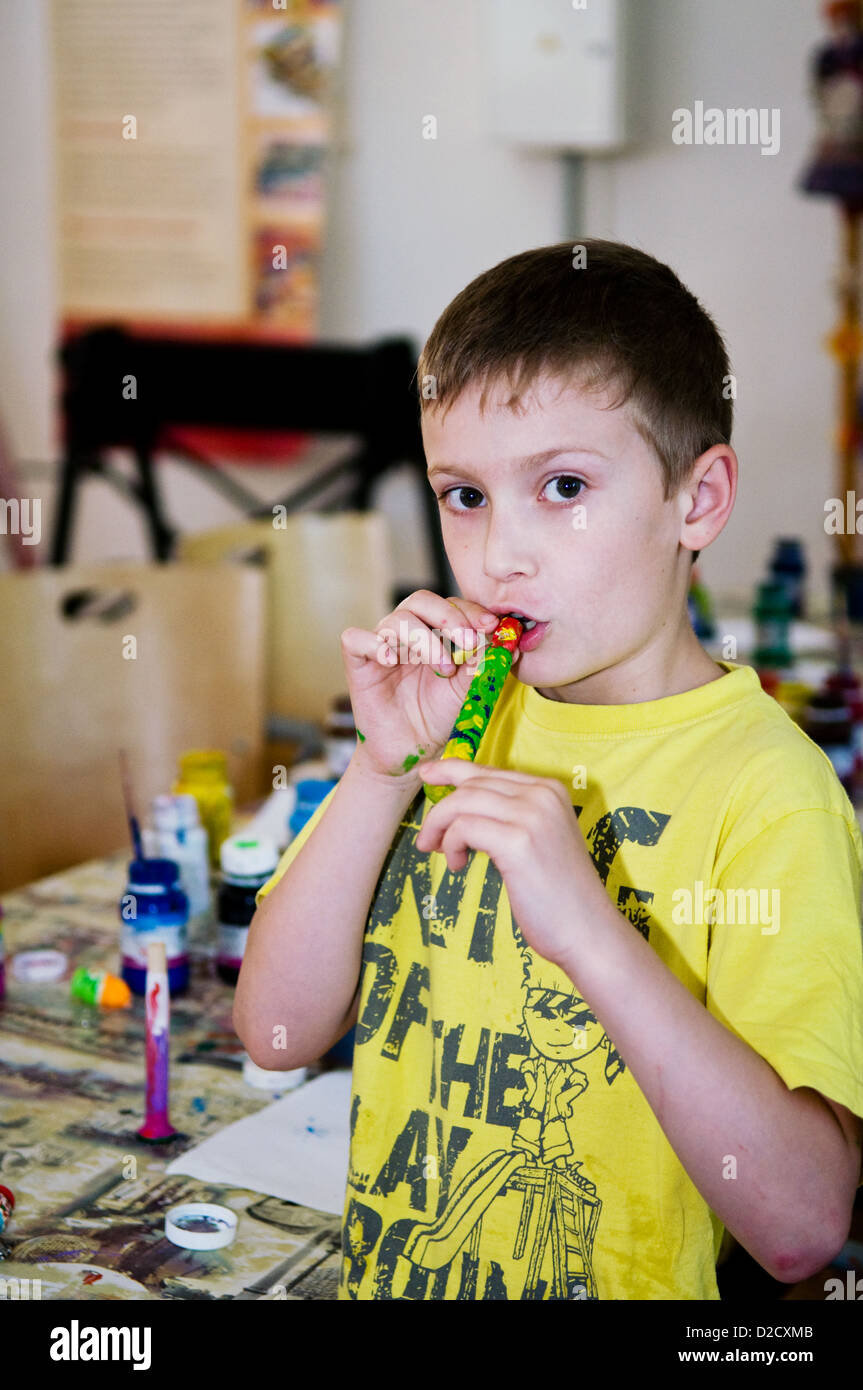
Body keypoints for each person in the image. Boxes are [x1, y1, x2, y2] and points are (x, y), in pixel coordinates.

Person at [233, 239, 863, 1301]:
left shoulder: (769, 794)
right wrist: (381, 767)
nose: (497, 556)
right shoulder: (456, 718)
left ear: (696, 500)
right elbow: (277, 1031)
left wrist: (588, 933)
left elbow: (800, 1231)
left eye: (562, 485)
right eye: (463, 494)